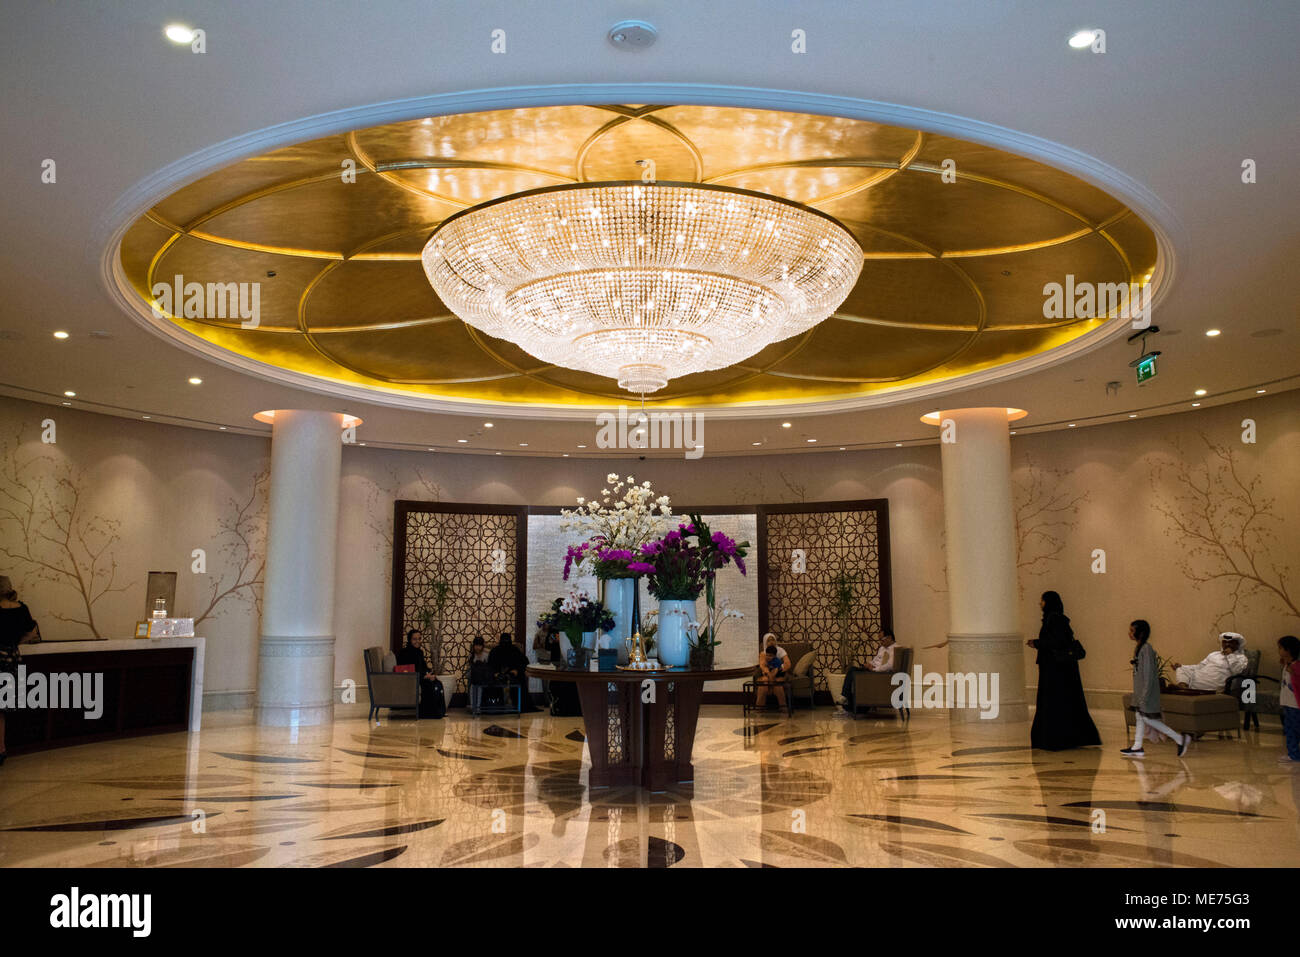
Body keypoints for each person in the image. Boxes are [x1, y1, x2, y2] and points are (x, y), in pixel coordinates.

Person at [1027, 591, 1101, 751]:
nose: (1040, 604)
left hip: (1055, 671)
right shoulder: (1056, 619)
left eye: (1042, 601)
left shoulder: (1054, 619)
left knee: (1053, 702)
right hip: (1058, 669)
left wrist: (1037, 643)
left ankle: (1055, 738)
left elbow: (1056, 642)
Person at [1121, 619, 1191, 759]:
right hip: (1141, 691)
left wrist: (1144, 696)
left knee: (1147, 719)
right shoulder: (1139, 648)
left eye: (1132, 631)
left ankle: (1179, 738)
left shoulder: (1146, 649)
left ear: (1140, 633)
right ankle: (1137, 746)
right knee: (1139, 717)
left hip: (1146, 692)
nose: (1129, 633)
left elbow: (1147, 674)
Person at [0, 576, 40, 766]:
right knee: (3, 708)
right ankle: (1, 748)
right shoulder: (21, 608)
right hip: (12, 659)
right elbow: (32, 632)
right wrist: (17, 642)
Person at [840, 631, 896, 714]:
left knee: (852, 671)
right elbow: (875, 661)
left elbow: (890, 665)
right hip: (872, 670)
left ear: (889, 638)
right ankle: (848, 699)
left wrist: (875, 669)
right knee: (853, 670)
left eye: (882, 640)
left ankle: (845, 697)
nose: (880, 642)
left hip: (879, 675)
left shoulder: (895, 649)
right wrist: (869, 664)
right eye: (879, 640)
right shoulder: (882, 648)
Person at [1172, 633, 1249, 690]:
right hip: (1198, 679)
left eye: (1230, 642)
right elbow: (1199, 666)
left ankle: (1186, 689)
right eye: (1225, 642)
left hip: (1214, 683)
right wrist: (1182, 666)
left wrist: (1230, 655)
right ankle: (1183, 687)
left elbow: (1237, 671)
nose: (1227, 644)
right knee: (1181, 669)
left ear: (1237, 645)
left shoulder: (1241, 658)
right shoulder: (1214, 654)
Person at [396, 629, 444, 719]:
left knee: (438, 683)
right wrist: (424, 676)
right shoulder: (404, 653)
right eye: (415, 639)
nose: (417, 641)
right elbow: (406, 670)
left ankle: (438, 712)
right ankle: (426, 713)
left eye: (419, 639)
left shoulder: (420, 652)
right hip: (411, 680)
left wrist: (430, 673)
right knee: (429, 684)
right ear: (410, 640)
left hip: (421, 677)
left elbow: (423, 667)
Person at [488, 631, 537, 712]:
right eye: (504, 642)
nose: (505, 644)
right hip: (497, 676)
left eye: (507, 642)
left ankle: (520, 705)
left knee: (520, 680)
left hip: (513, 675)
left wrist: (516, 670)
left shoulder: (514, 650)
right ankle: (495, 706)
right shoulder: (495, 651)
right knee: (491, 681)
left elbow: (524, 662)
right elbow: (490, 666)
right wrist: (495, 673)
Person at [1278, 635, 1300, 766]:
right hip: (1287, 702)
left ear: (1289, 650)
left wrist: (1294, 672)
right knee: (1289, 728)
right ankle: (1293, 753)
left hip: (1295, 704)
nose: (1279, 650)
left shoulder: (1296, 666)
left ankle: (1294, 752)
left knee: (1296, 728)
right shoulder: (1287, 664)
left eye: (1281, 648)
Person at [754, 635, 791, 710]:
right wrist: (769, 675)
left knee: (777, 683)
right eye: (768, 640)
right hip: (767, 674)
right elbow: (763, 666)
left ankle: (783, 707)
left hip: (779, 673)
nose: (771, 642)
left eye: (773, 640)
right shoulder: (763, 653)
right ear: (765, 642)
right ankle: (759, 708)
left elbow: (787, 663)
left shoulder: (780, 650)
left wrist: (779, 669)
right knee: (764, 682)